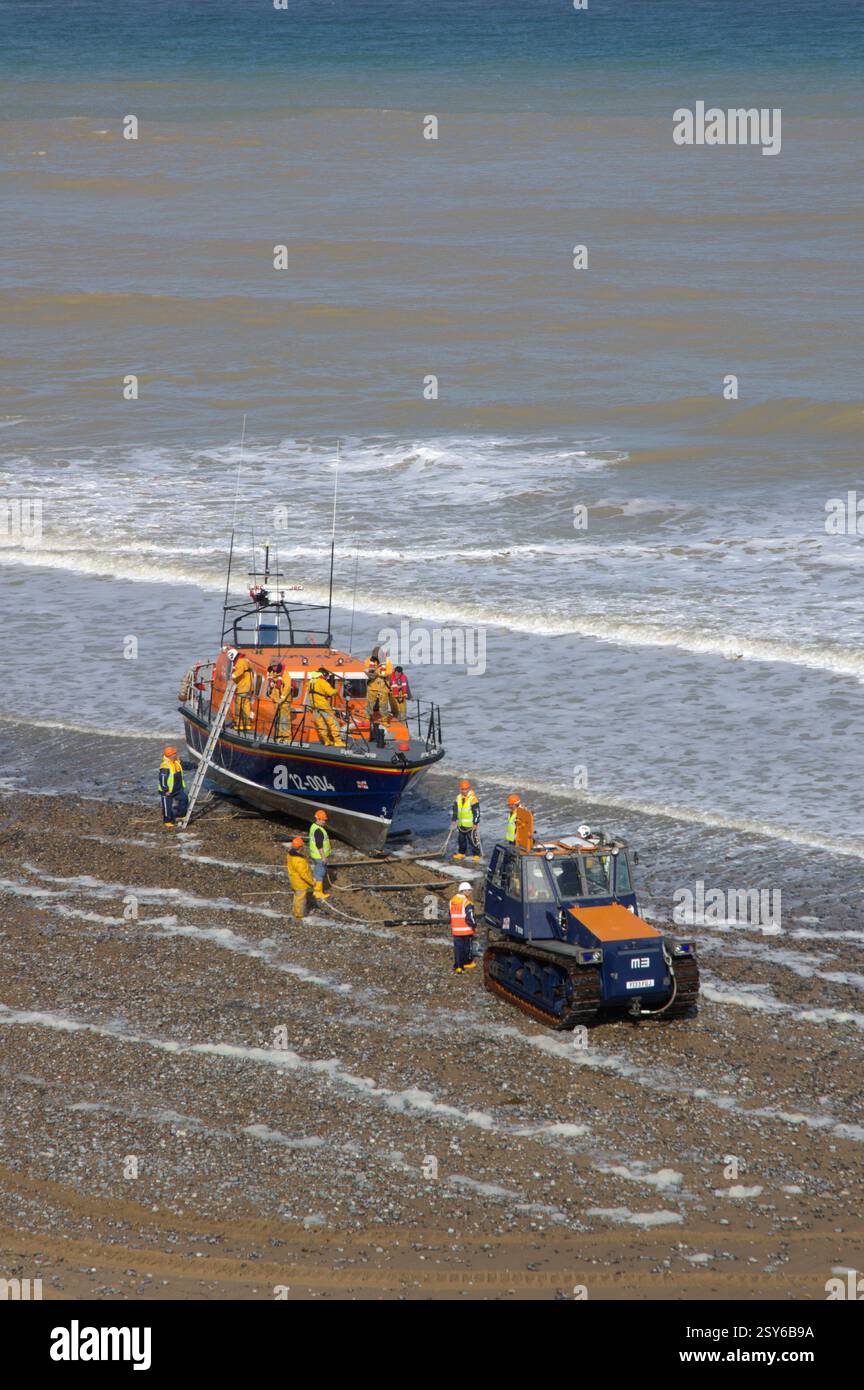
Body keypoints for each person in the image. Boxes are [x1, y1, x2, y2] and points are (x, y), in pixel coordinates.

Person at [308, 666, 345, 747]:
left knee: (321, 724)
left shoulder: (311, 681)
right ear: (323, 674)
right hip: (323, 706)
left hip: (314, 706)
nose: (326, 678)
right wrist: (337, 689)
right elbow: (331, 692)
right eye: (326, 676)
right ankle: (338, 741)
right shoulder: (322, 682)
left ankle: (326, 741)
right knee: (333, 722)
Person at [449, 881, 477, 974]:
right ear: (463, 891)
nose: (470, 892)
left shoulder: (452, 901)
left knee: (458, 948)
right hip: (466, 930)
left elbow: (450, 915)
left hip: (456, 930)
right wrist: (474, 925)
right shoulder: (467, 903)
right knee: (467, 948)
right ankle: (467, 963)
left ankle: (458, 966)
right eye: (468, 890)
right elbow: (470, 917)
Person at [286, 836, 315, 920]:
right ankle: (299, 915)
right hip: (300, 883)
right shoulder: (299, 860)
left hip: (294, 880)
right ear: (300, 847)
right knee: (301, 899)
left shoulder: (290, 854)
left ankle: (295, 911)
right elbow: (303, 874)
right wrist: (312, 882)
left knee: (296, 897)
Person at [451, 778, 480, 861]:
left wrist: (475, 822)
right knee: (461, 840)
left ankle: (476, 854)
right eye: (463, 789)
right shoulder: (458, 798)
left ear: (469, 788)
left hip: (470, 825)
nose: (464, 791)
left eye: (466, 789)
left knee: (473, 840)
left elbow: (477, 812)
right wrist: (454, 819)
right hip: (461, 824)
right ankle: (461, 853)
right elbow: (455, 809)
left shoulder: (473, 799)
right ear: (460, 789)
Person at [158, 746, 187, 828]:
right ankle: (167, 821)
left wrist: (196, 765)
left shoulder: (177, 762)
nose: (176, 754)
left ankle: (180, 815)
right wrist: (165, 790)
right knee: (167, 806)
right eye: (174, 753)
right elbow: (162, 779)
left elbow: (185, 765)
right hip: (167, 791)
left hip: (177, 788)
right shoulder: (165, 766)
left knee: (184, 799)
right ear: (170, 755)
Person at [229, 648, 255, 732]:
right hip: (247, 688)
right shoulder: (245, 660)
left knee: (238, 706)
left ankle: (239, 724)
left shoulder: (241, 662)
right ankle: (247, 724)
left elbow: (239, 671)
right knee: (246, 706)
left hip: (242, 688)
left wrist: (233, 675)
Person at [308, 809, 331, 899]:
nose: (325, 821)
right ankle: (318, 892)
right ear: (318, 819)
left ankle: (314, 889)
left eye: (325, 820)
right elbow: (319, 845)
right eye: (323, 820)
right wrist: (323, 857)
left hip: (314, 855)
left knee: (317, 872)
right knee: (320, 874)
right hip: (319, 856)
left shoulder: (313, 826)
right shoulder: (319, 831)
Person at [266, 661, 291, 740]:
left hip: (283, 701)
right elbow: (270, 684)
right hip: (276, 699)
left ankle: (287, 736)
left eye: (275, 666)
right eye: (273, 666)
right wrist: (270, 693)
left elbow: (287, 687)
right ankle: (280, 734)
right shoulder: (272, 673)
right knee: (278, 718)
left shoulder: (285, 674)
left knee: (284, 718)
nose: (274, 668)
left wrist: (282, 697)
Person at [364, 657, 391, 728]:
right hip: (372, 687)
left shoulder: (387, 661)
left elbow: (389, 672)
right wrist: (372, 673)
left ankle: (384, 721)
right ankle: (367, 719)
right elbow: (366, 670)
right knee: (369, 704)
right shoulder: (368, 660)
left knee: (384, 705)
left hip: (383, 688)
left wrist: (378, 672)